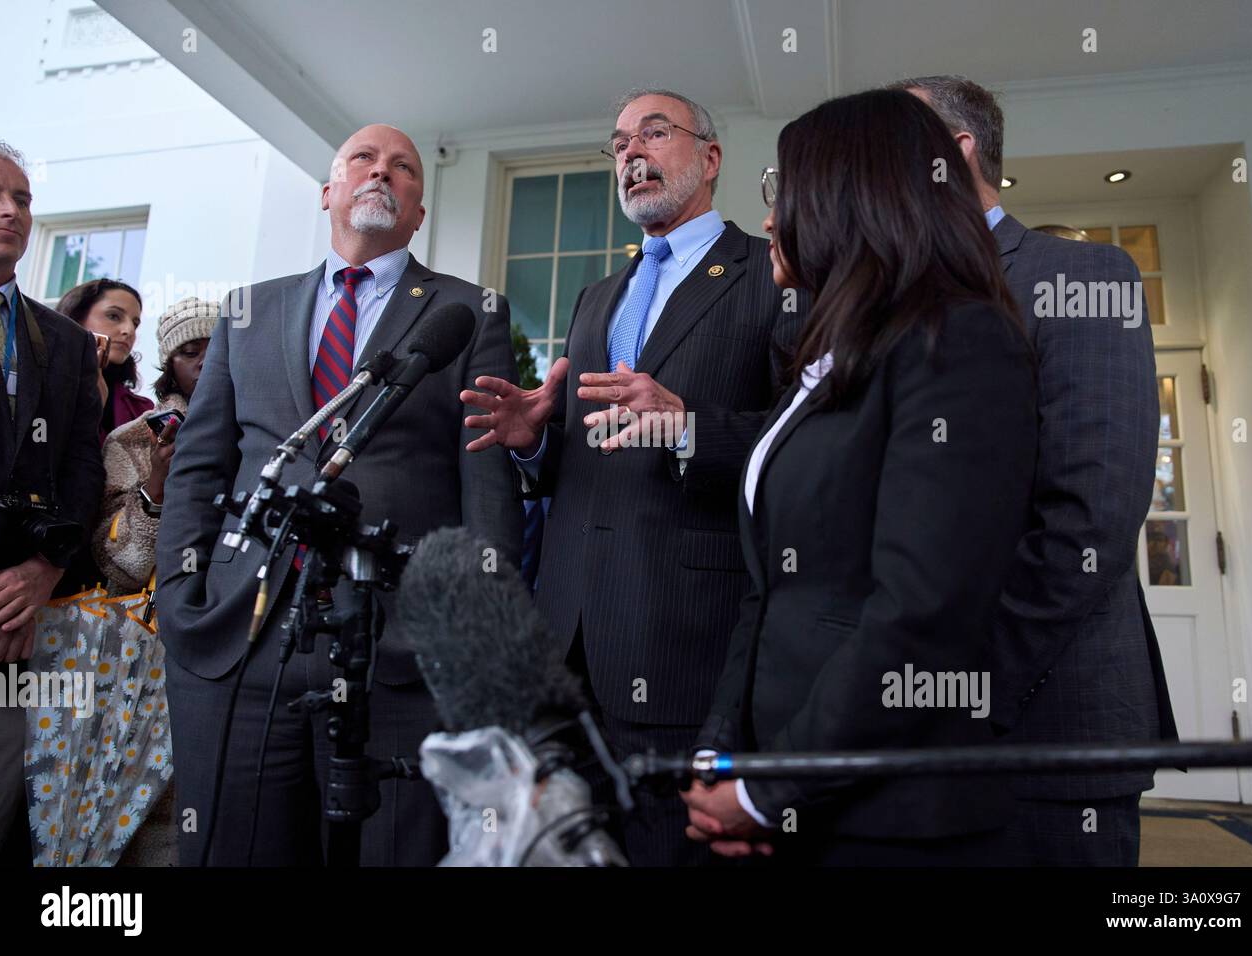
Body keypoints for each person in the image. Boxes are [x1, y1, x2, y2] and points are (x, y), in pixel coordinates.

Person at [683, 90, 1038, 865]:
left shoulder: (960, 340)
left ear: (856, 196)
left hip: (888, 817)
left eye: (784, 189)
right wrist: (723, 758)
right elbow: (768, 592)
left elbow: (924, 613)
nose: (770, 218)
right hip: (784, 784)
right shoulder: (827, 359)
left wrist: (766, 792)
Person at [155, 124, 523, 866]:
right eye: (363, 159)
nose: (381, 173)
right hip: (245, 635)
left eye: (403, 169)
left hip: (396, 645)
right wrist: (182, 590)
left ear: (419, 210)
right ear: (329, 192)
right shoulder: (246, 312)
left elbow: (487, 483)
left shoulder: (469, 312)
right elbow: (199, 468)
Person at [461, 89, 804, 866]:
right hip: (568, 641)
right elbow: (588, 463)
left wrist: (686, 426)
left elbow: (802, 445)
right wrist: (530, 445)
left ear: (710, 158)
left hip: (686, 638)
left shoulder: (771, 274)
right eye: (617, 144)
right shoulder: (597, 299)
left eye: (654, 133)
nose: (631, 155)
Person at [895, 74, 1178, 866]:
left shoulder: (1083, 279)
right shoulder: (887, 305)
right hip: (909, 743)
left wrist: (960, 690)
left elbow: (1088, 519)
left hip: (1049, 724)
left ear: (958, 153)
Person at [0, 140, 104, 863]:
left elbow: (82, 471)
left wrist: (42, 571)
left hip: (13, 628)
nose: (9, 210)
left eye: (23, 199)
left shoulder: (64, 340)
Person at [93, 297, 218, 594]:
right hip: (149, 623)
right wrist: (156, 483)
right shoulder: (130, 440)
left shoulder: (258, 432)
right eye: (189, 352)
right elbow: (123, 566)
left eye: (218, 350)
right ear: (169, 368)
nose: (205, 361)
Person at [57, 278, 154, 441]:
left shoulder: (143, 410)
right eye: (114, 316)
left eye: (135, 324)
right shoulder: (40, 385)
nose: (129, 330)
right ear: (77, 317)